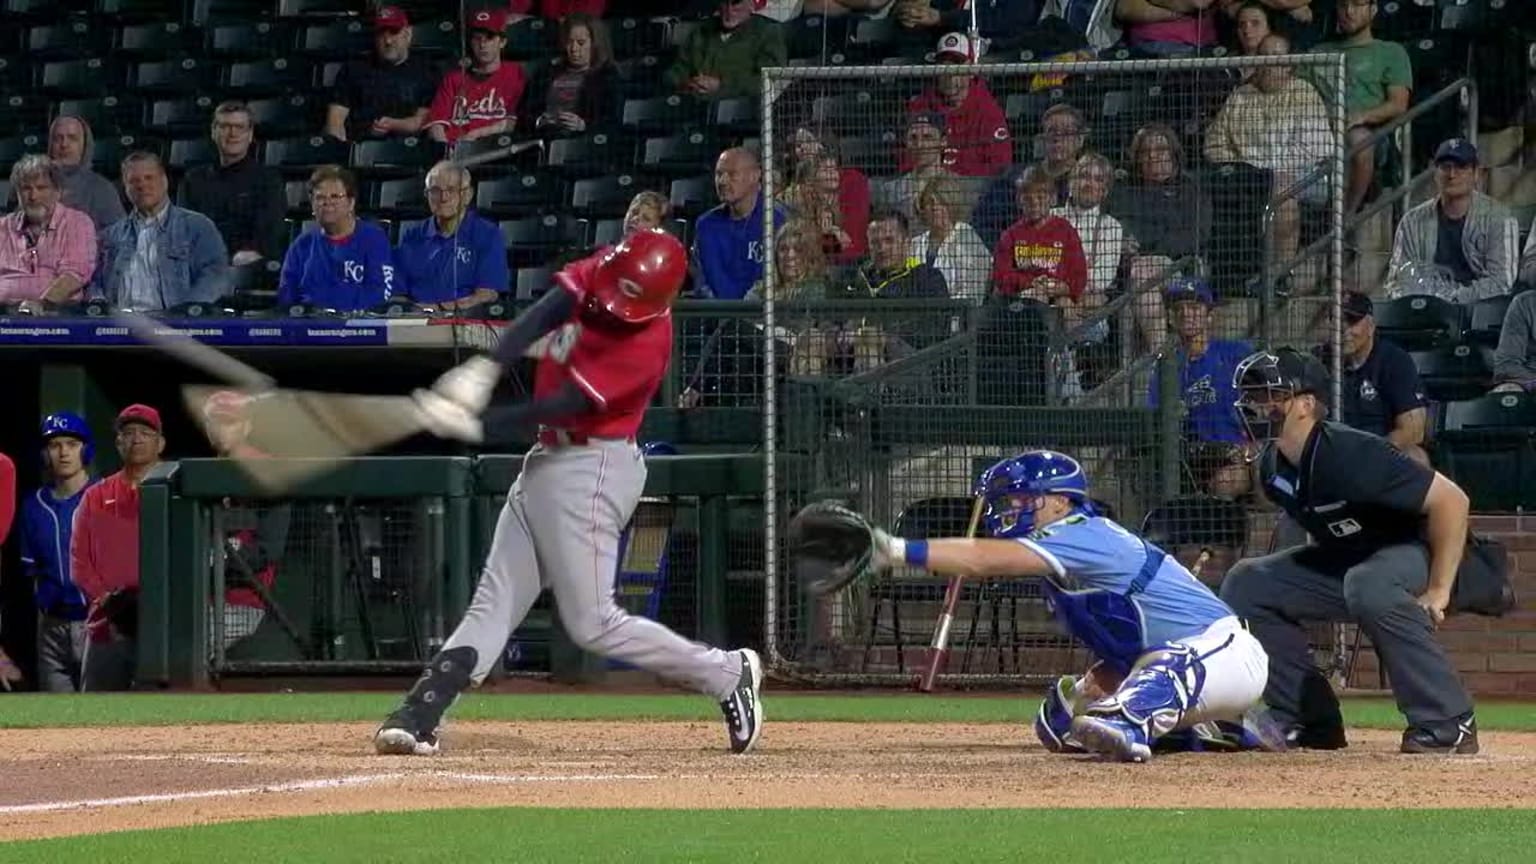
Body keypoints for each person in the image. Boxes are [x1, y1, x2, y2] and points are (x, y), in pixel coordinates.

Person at [373, 229, 764, 756]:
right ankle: (422, 709)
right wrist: (484, 368)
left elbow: (562, 404)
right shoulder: (613, 266)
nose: (609, 302)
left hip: (592, 466)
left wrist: (475, 421)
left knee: (593, 624)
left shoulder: (646, 345)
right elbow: (548, 309)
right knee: (497, 596)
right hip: (549, 459)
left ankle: (727, 672)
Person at [855, 449, 1274, 762]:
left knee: (1136, 697)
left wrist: (891, 549)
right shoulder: (1060, 560)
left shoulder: (1082, 530)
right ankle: (1212, 730)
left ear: (1060, 501)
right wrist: (1094, 686)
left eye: (1023, 500)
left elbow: (983, 559)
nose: (1012, 509)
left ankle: (1137, 722)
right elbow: (1129, 643)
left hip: (1227, 652)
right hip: (1173, 661)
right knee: (1067, 715)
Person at [1221, 348, 1479, 754]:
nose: (1257, 405)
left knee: (1368, 583)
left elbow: (1453, 501)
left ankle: (1449, 721)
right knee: (1248, 583)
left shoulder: (1348, 451)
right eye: (1252, 396)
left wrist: (1440, 589)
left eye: (1271, 394)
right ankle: (1307, 719)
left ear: (1306, 404)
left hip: (1421, 553)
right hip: (1360, 562)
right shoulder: (1273, 467)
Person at [72, 404, 167, 692]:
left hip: (162, 623)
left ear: (160, 442)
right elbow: (79, 559)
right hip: (108, 623)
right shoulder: (96, 496)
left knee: (163, 713)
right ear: (118, 443)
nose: (136, 439)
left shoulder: (177, 491)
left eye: (145, 432)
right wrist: (104, 599)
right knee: (97, 712)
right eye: (128, 433)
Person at [201, 391, 289, 652]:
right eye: (215, 422)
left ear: (247, 427)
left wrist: (214, 567)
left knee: (186, 648)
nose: (221, 430)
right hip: (200, 601)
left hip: (242, 602)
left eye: (230, 422)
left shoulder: (265, 469)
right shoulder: (205, 471)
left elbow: (269, 549)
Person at [1148, 278, 1253, 497]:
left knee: (1224, 484)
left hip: (1238, 457)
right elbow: (1154, 418)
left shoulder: (1236, 354)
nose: (1186, 314)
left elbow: (1267, 403)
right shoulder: (1166, 367)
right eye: (1179, 309)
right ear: (1171, 319)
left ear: (1209, 315)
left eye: (1195, 308)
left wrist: (1251, 446)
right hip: (1190, 462)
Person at [1383, 138, 1519, 304]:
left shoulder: (1500, 218)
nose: (1452, 175)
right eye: (1445, 167)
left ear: (1476, 173)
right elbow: (1396, 282)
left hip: (1479, 313)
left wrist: (1454, 299)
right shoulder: (1411, 222)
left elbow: (1502, 282)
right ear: (1435, 174)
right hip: (1426, 312)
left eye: (1461, 167)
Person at [18, 413, 97, 692]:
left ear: (85, 450)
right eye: (55, 445)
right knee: (57, 720)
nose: (63, 452)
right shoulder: (32, 505)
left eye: (72, 444)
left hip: (97, 624)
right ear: (44, 454)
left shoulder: (105, 497)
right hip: (52, 626)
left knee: (102, 717)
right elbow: (31, 571)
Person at [93, 152, 230, 311]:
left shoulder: (197, 226)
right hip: (119, 325)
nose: (142, 185)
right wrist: (99, 305)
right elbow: (94, 281)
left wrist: (187, 311)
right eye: (133, 181)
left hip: (174, 324)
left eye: (149, 177)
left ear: (164, 181)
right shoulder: (110, 235)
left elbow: (215, 274)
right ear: (125, 188)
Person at [1312, 0, 1411, 215]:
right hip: (1317, 129)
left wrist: (1360, 116)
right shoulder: (1318, 52)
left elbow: (1398, 104)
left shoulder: (1391, 52)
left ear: (1373, 10)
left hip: (1368, 132)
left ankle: (1344, 220)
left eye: (1357, 4)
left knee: (1358, 139)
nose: (1348, 11)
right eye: (1342, 5)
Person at [177, 101, 288, 270]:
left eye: (240, 127)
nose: (232, 133)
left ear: (250, 135)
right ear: (214, 132)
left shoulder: (268, 180)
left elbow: (270, 233)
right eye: (225, 126)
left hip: (247, 266)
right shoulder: (193, 179)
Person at [1325, 290, 1429, 463]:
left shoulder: (1394, 361)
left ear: (1371, 326)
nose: (1343, 330)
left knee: (1416, 457)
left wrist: (1368, 454)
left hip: (1379, 452)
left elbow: (1413, 430)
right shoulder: (1320, 360)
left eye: (1352, 321)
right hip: (1332, 451)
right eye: (1336, 321)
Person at [392, 161, 508, 310]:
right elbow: (397, 293)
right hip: (415, 322)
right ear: (426, 195)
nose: (443, 198)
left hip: (463, 322)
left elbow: (487, 295)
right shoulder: (412, 235)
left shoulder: (488, 234)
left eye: (451, 190)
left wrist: (438, 309)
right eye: (435, 190)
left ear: (468, 195)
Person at [278, 165, 394, 312]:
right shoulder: (302, 245)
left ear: (351, 203)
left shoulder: (374, 239)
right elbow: (287, 296)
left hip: (359, 326)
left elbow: (381, 293)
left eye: (335, 196)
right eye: (320, 197)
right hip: (310, 325)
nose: (327, 203)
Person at [902, 33, 1011, 179]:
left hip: (973, 190)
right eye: (943, 65)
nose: (950, 72)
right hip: (924, 184)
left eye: (957, 64)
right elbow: (905, 158)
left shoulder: (987, 110)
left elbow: (1000, 167)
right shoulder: (921, 105)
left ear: (971, 70)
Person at [323, 6, 440, 142]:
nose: (388, 41)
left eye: (394, 32)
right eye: (381, 33)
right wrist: (341, 148)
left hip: (409, 149)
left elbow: (423, 122)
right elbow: (335, 121)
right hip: (359, 147)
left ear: (408, 33)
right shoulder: (353, 69)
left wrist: (392, 125)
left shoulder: (427, 71)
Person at [0, 154, 96, 309]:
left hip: (57, 312)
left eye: (41, 188)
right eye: (26, 189)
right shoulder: (2, 227)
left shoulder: (77, 222)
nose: (33, 196)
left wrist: (42, 303)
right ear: (17, 194)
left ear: (58, 191)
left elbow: (74, 274)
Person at [692, 147, 786, 300]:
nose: (722, 181)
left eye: (731, 174)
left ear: (755, 176)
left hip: (768, 314)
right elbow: (710, 283)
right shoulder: (706, 225)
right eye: (719, 174)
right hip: (720, 315)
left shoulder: (779, 219)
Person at [426, 8, 525, 146]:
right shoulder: (454, 78)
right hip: (454, 152)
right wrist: (446, 152)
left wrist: (477, 134)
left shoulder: (516, 74)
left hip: (492, 149)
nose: (482, 45)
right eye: (477, 38)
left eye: (489, 38)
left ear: (502, 42)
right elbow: (436, 125)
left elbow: (512, 123)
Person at [519, 13, 622, 138]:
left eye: (581, 42)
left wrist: (583, 125)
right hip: (543, 136)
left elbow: (612, 121)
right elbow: (524, 111)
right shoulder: (546, 72)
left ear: (595, 44)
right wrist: (540, 121)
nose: (574, 48)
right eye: (569, 42)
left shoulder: (608, 76)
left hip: (583, 141)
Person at [665, 0, 787, 100]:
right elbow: (679, 69)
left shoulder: (767, 33)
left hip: (738, 113)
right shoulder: (702, 31)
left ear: (751, 5)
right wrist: (684, 83)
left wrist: (721, 85)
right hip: (692, 106)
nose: (729, 11)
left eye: (736, 3)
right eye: (724, 3)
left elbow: (768, 80)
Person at [45, 116, 125, 230]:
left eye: (72, 138)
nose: (64, 145)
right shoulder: (32, 184)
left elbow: (119, 238)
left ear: (85, 145)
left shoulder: (102, 189)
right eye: (58, 138)